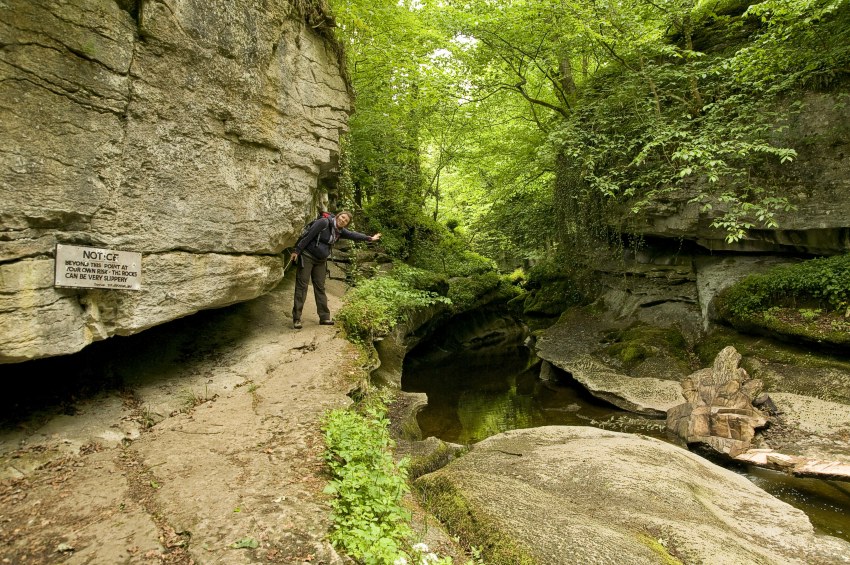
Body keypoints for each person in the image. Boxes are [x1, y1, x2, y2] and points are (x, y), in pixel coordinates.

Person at [290, 211, 381, 329]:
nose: (343, 220)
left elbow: (354, 235)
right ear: (338, 216)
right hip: (307, 256)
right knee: (302, 286)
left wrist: (370, 238)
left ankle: (324, 317)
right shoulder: (323, 222)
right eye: (342, 217)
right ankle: (297, 318)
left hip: (321, 261)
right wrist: (296, 250)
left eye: (346, 221)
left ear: (346, 224)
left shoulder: (340, 231)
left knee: (320, 288)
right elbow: (308, 236)